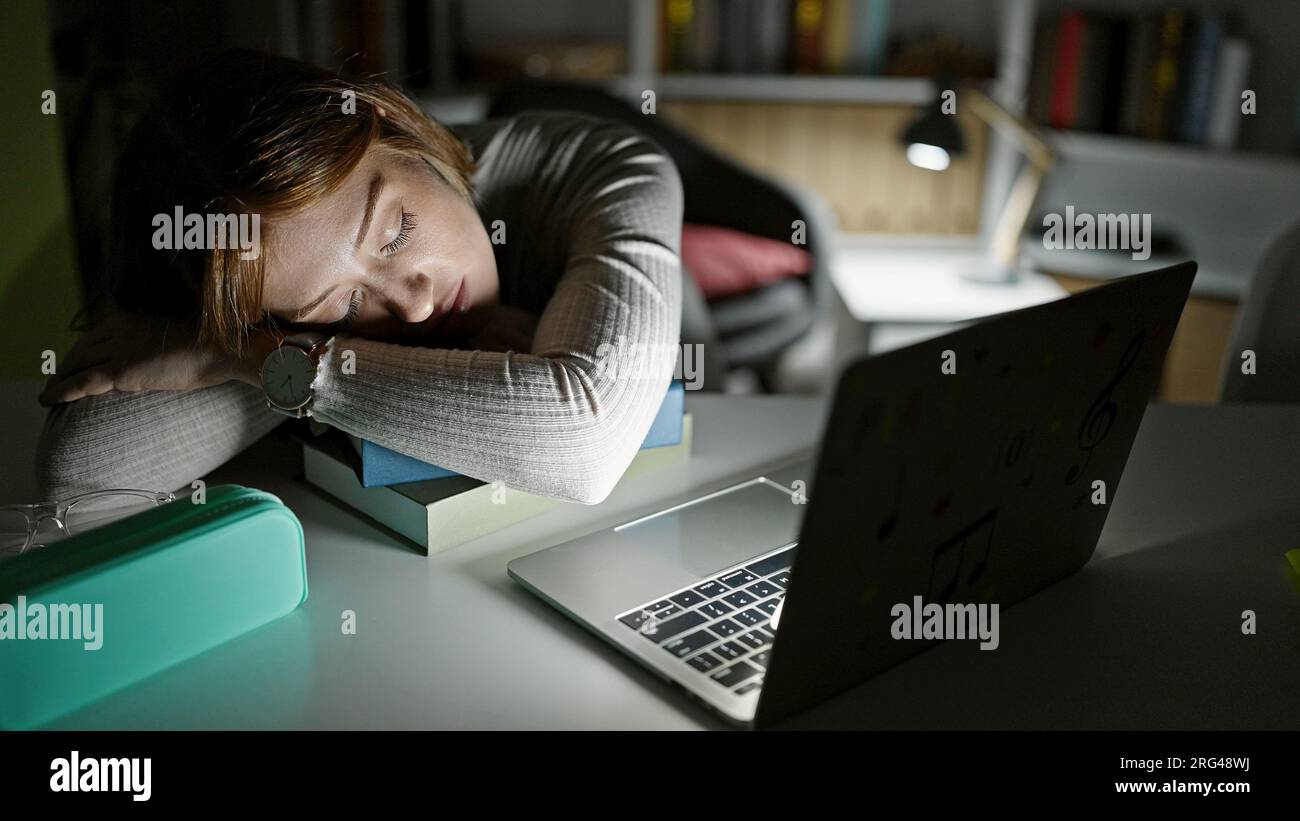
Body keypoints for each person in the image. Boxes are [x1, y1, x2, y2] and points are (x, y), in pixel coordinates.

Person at [36, 49, 683, 505]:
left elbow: (583, 441)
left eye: (396, 231)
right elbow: (78, 476)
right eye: (342, 307)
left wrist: (268, 363)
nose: (417, 305)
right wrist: (246, 345)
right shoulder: (263, 293)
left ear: (394, 122)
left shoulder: (604, 169)